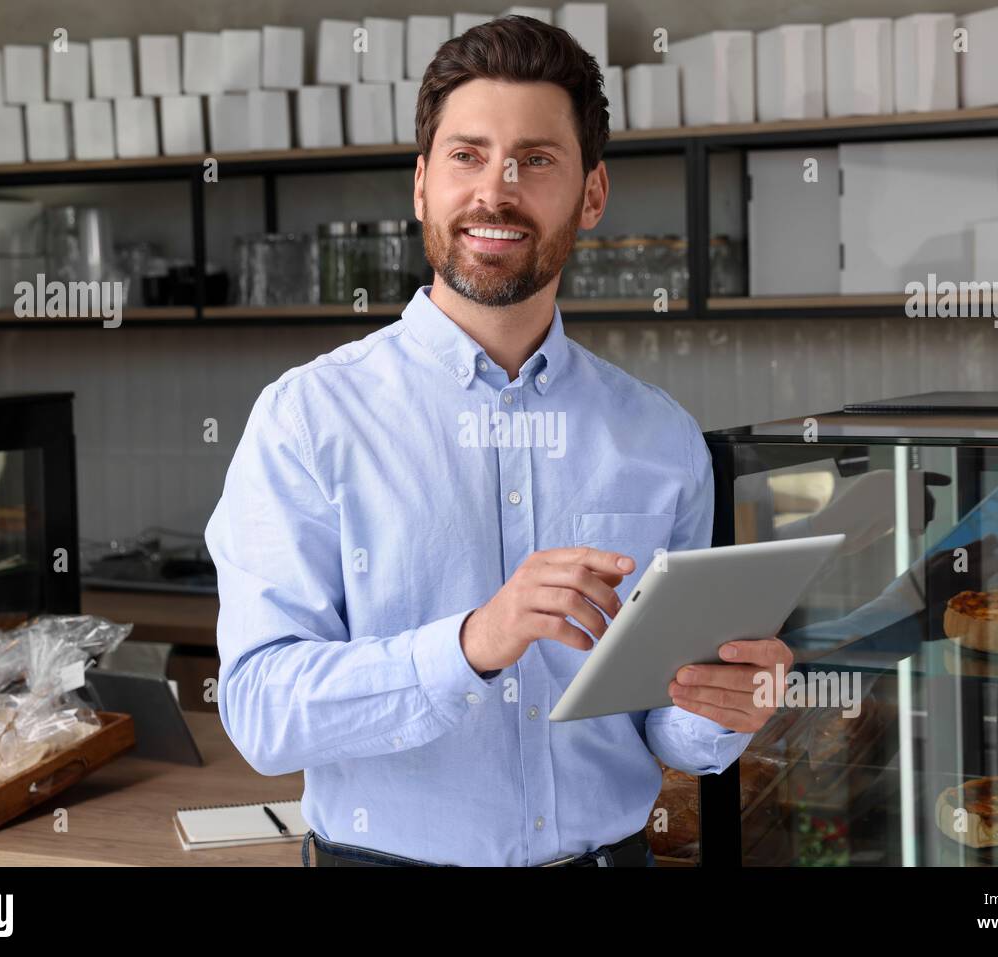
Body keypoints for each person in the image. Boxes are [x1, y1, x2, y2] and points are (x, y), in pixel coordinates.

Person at [203, 15, 793, 868]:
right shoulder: (307, 418)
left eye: (536, 160)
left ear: (591, 194)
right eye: (467, 155)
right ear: (420, 185)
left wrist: (725, 703)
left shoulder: (659, 436)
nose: (496, 190)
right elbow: (260, 710)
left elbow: (671, 734)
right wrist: (474, 641)